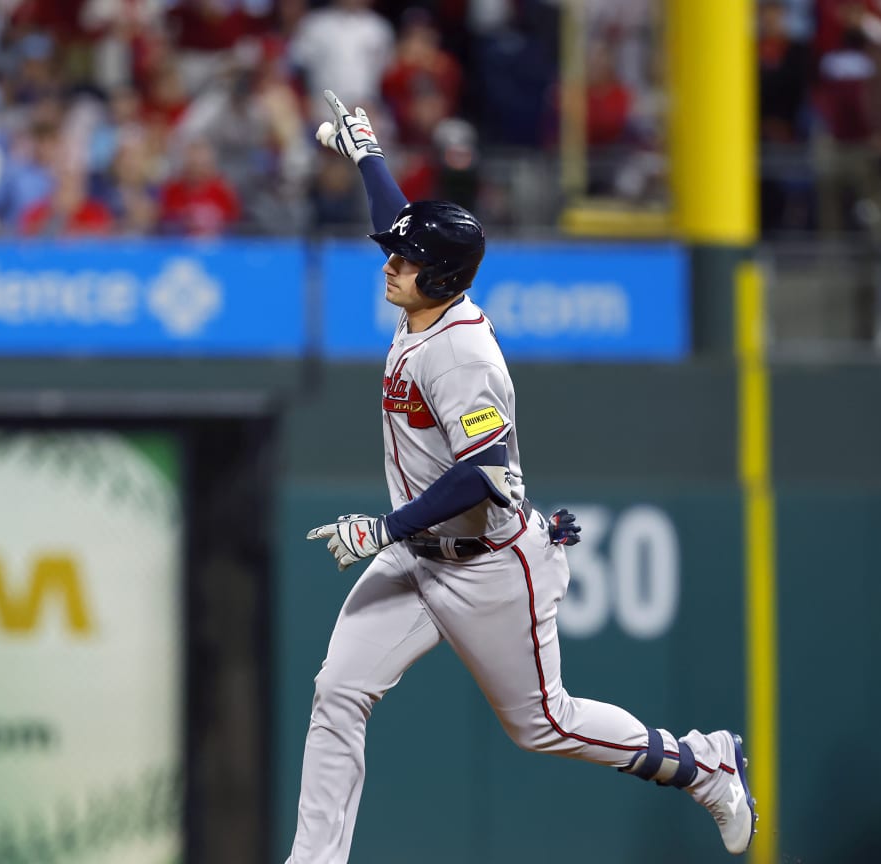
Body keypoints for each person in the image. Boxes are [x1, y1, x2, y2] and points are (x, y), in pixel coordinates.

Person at [286, 90, 758, 863]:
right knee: (338, 690)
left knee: (543, 724)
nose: (391, 263)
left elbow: (485, 474)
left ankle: (702, 764)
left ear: (442, 277)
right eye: (395, 253)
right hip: (419, 555)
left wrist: (382, 528)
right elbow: (400, 223)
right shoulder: (427, 298)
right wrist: (368, 152)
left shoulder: (461, 353)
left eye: (407, 260)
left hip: (487, 566)